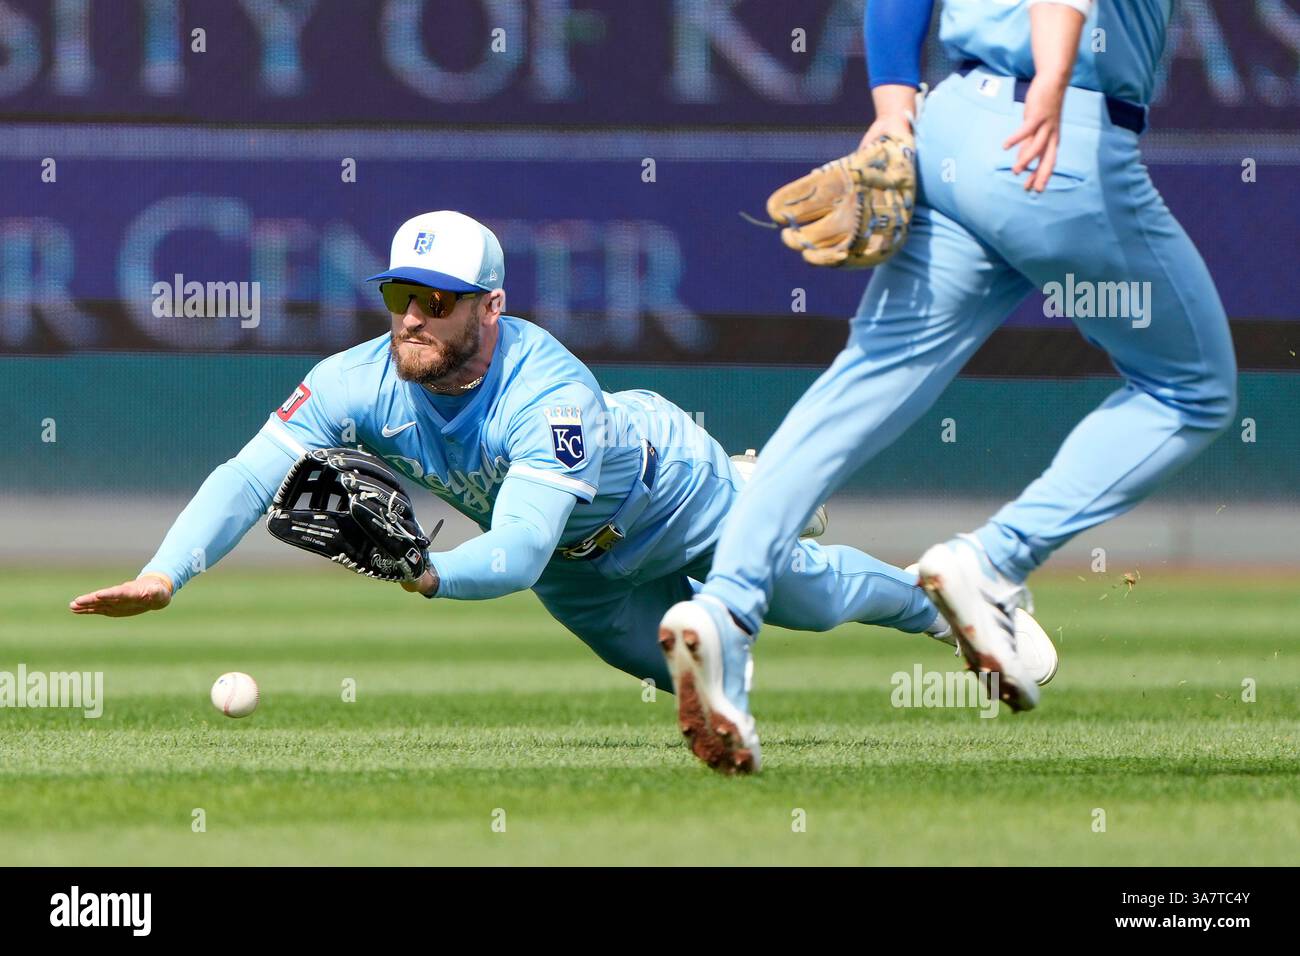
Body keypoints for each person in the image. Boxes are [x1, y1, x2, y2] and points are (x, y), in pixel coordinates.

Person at [69, 210, 1058, 775]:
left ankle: (942, 611)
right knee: (666, 662)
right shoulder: (356, 379)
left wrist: (427, 573)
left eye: (438, 300)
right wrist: (166, 573)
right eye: (399, 295)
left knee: (802, 598)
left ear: (491, 308)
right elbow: (252, 470)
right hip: (581, 575)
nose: (412, 315)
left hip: (669, 494)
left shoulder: (545, 393)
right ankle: (728, 696)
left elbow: (516, 550)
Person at [661, 0, 1235, 771]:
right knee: (1190, 389)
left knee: (867, 378)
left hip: (952, 122)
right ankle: (994, 561)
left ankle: (724, 608)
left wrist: (894, 111)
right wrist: (1053, 76)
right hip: (1054, 126)